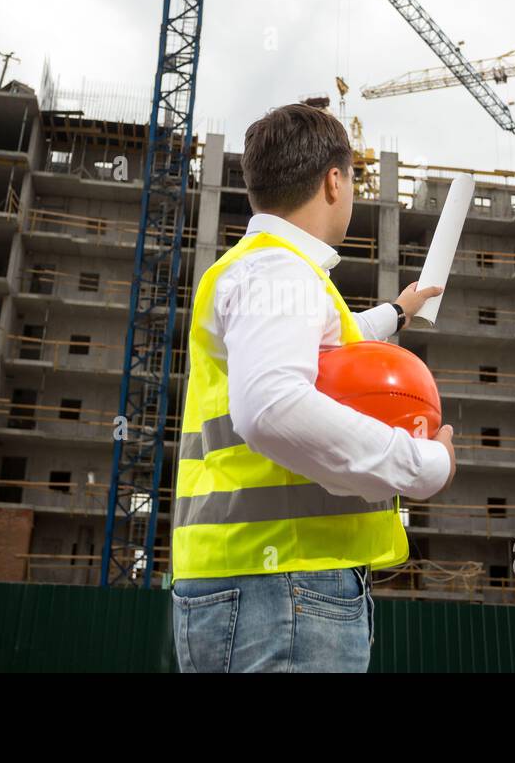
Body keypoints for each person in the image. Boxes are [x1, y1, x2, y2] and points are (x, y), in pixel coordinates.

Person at [169, 102, 457, 672]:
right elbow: (272, 408)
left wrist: (397, 312)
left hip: (256, 583)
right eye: (353, 179)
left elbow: (326, 349)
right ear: (333, 181)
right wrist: (422, 466)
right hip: (283, 590)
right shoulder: (282, 274)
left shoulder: (262, 270)